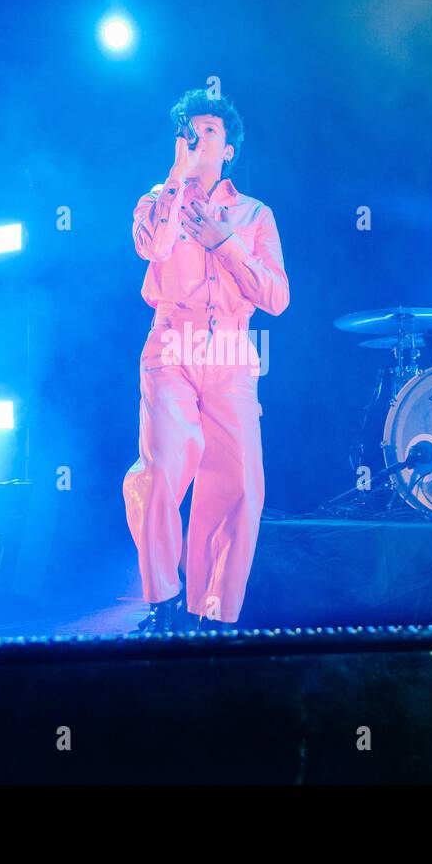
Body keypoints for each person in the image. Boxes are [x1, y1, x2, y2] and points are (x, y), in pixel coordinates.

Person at [123, 89, 289, 632]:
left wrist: (227, 242)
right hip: (171, 343)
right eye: (190, 132)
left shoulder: (256, 215)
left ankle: (212, 613)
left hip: (232, 350)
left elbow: (277, 297)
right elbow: (152, 246)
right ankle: (162, 602)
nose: (198, 139)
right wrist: (176, 176)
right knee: (164, 469)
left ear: (230, 149)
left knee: (240, 483)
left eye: (210, 131)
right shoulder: (156, 198)